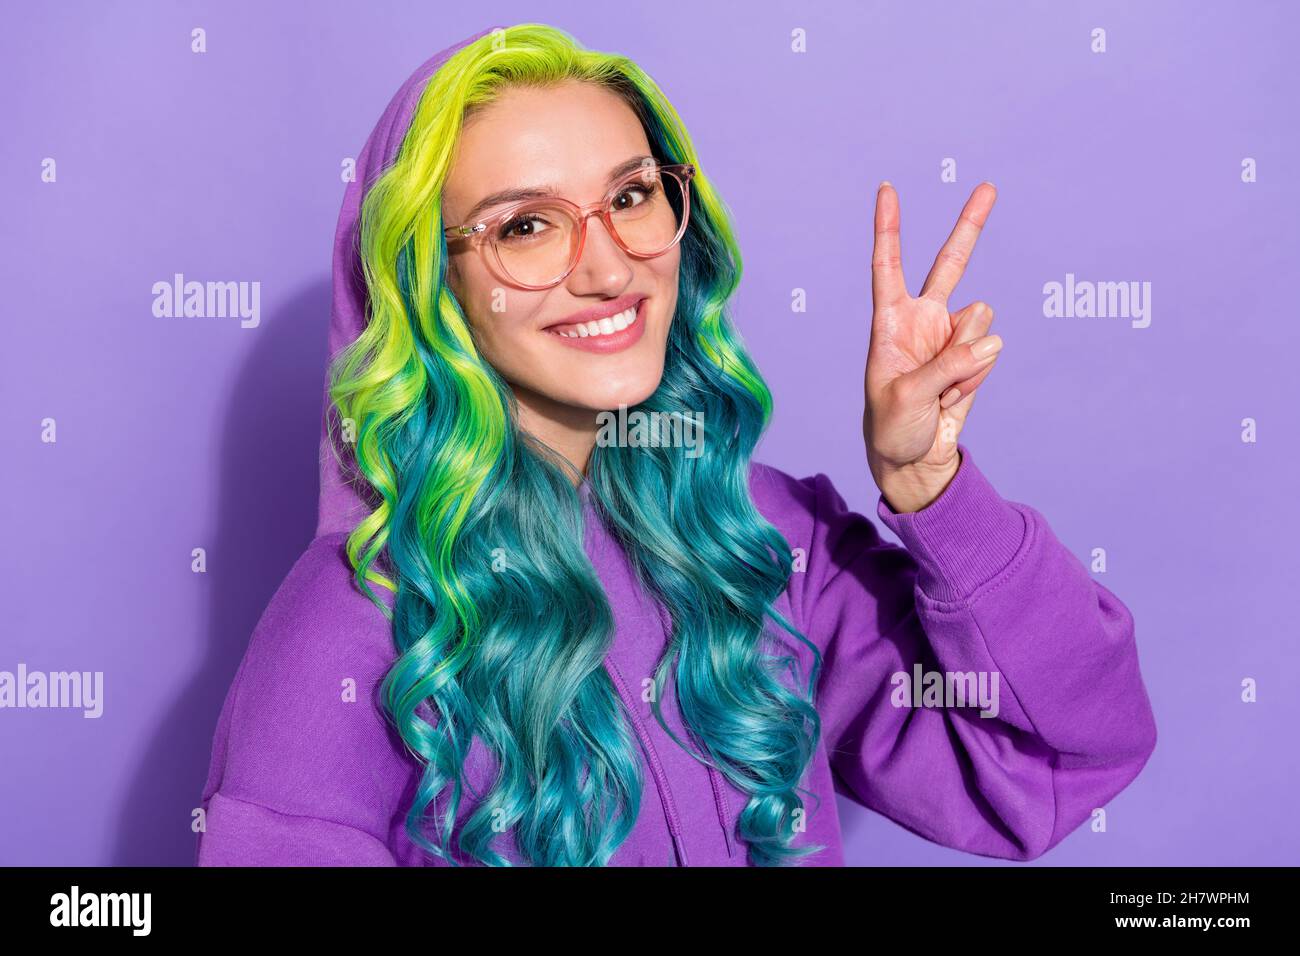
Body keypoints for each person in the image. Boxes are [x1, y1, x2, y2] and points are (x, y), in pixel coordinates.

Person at [196, 22, 1157, 867]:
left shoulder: (760, 539)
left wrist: (928, 486)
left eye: (631, 195)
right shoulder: (350, 630)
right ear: (427, 286)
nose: (610, 265)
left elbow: (1058, 759)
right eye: (526, 226)